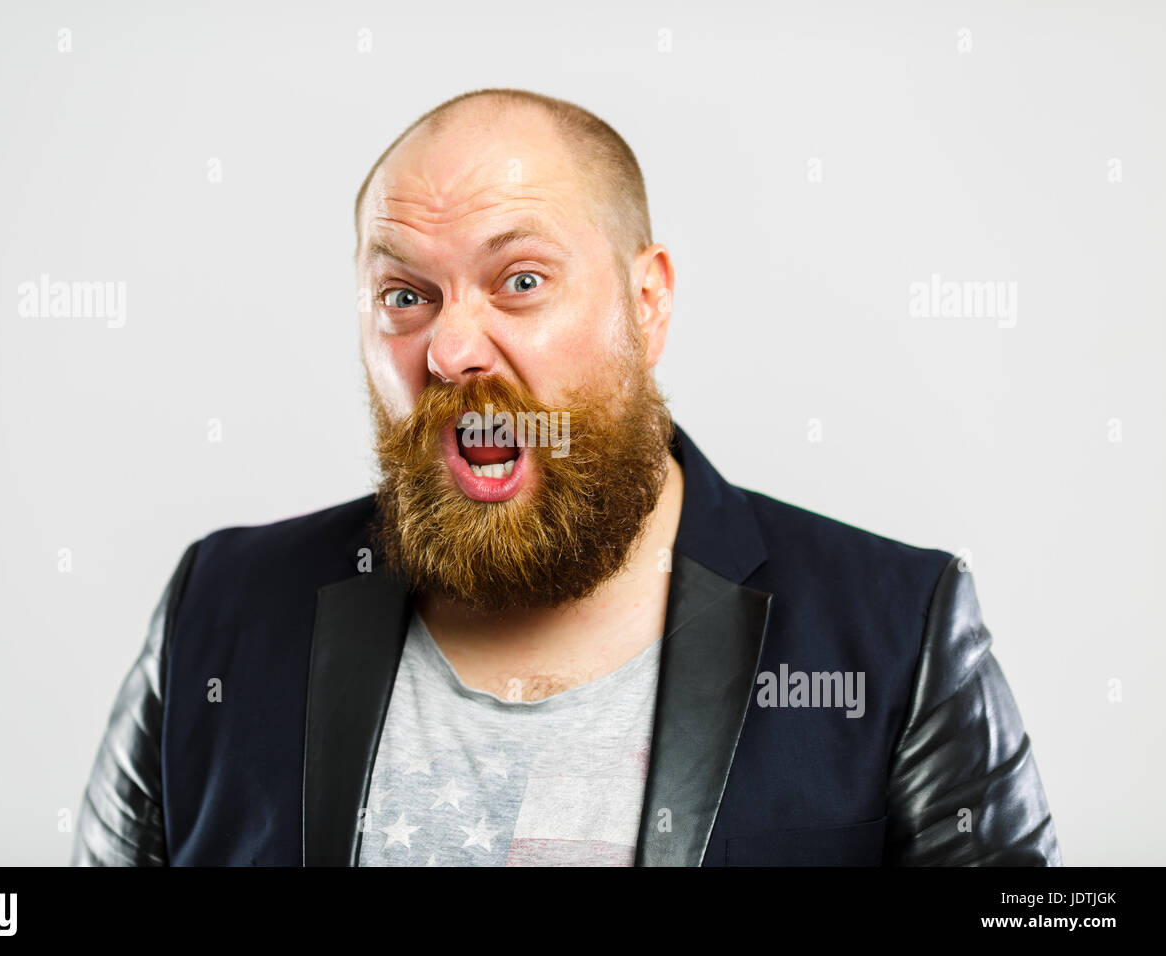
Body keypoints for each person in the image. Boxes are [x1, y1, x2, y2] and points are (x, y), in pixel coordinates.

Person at [71, 88, 1059, 866]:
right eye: (405, 295)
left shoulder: (894, 630)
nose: (452, 348)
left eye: (521, 281)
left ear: (646, 302)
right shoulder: (219, 609)